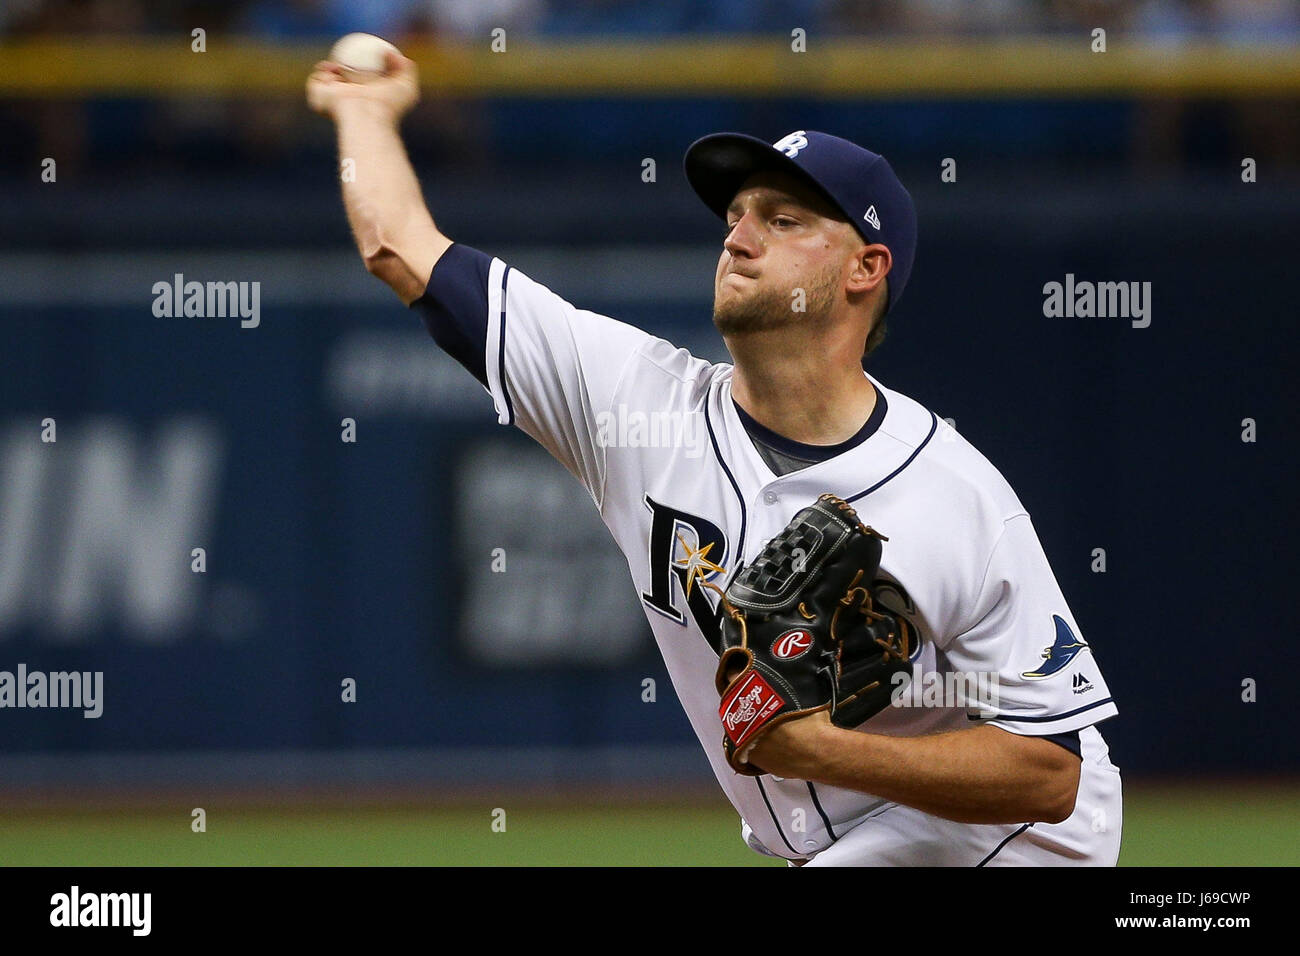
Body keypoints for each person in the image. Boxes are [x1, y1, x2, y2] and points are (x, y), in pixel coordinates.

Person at [307, 52, 1122, 866]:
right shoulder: (633, 404)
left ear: (865, 270)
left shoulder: (957, 496)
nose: (737, 237)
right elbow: (401, 249)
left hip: (1013, 846)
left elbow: (1050, 773)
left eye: (783, 220)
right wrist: (365, 115)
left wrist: (817, 749)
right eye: (735, 214)